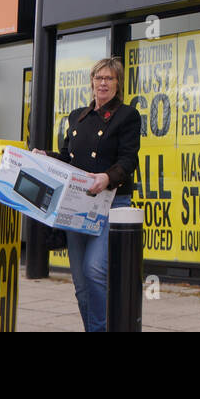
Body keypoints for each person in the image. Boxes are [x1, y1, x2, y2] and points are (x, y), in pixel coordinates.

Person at [52, 56, 140, 332]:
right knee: (80, 283)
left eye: (109, 78)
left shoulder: (127, 115)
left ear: (118, 84)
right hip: (77, 203)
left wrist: (107, 177)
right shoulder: (77, 116)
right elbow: (68, 158)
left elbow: (129, 160)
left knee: (94, 271)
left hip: (111, 202)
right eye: (99, 78)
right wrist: (46, 157)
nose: (103, 83)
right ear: (91, 82)